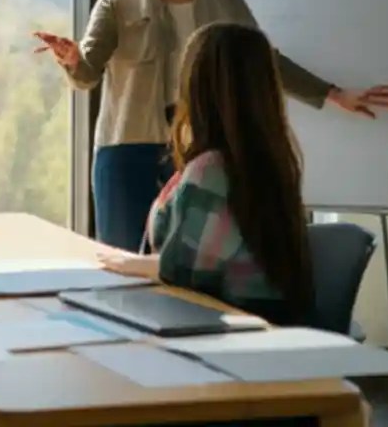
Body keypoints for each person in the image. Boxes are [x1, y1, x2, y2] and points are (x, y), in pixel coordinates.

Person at [34, 0, 388, 250]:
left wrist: (332, 93)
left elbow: (263, 61)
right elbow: (88, 73)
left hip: (198, 155)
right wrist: (74, 59)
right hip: (126, 155)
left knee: (191, 270)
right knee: (126, 269)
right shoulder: (115, 3)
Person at [101, 22, 315, 326]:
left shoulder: (212, 170)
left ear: (197, 88)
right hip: (253, 329)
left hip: (222, 332)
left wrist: (130, 264)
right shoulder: (270, 161)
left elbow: (185, 272)